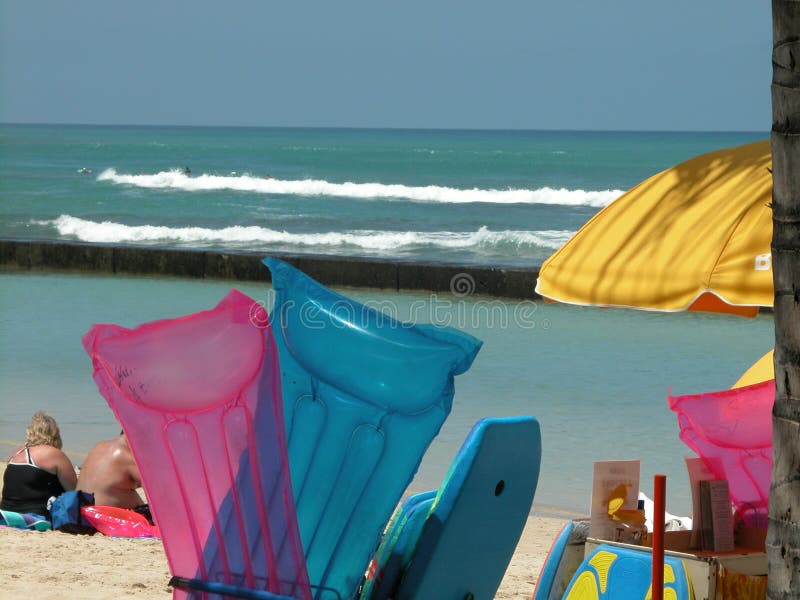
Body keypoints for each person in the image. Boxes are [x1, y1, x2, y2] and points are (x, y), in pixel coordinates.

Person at [1, 411, 77, 517]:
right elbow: (74, 491)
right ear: (55, 434)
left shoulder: (17, 452)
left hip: (6, 512)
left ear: (30, 432)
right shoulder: (54, 454)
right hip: (36, 514)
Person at [76, 431, 145, 512]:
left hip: (79, 513)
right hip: (97, 519)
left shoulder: (100, 446)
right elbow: (155, 488)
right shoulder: (127, 456)